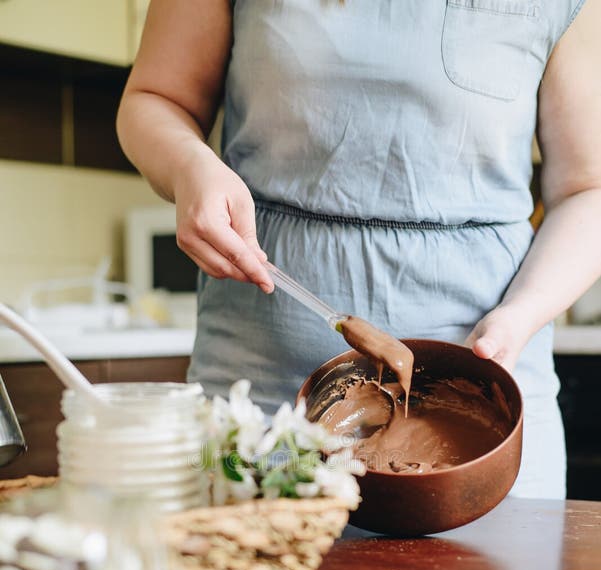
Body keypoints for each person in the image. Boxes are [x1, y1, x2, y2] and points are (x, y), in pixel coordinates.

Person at [117, 0, 601, 499]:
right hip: (263, 399)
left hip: (494, 409)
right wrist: (187, 166)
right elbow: (154, 98)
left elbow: (589, 188)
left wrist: (520, 316)